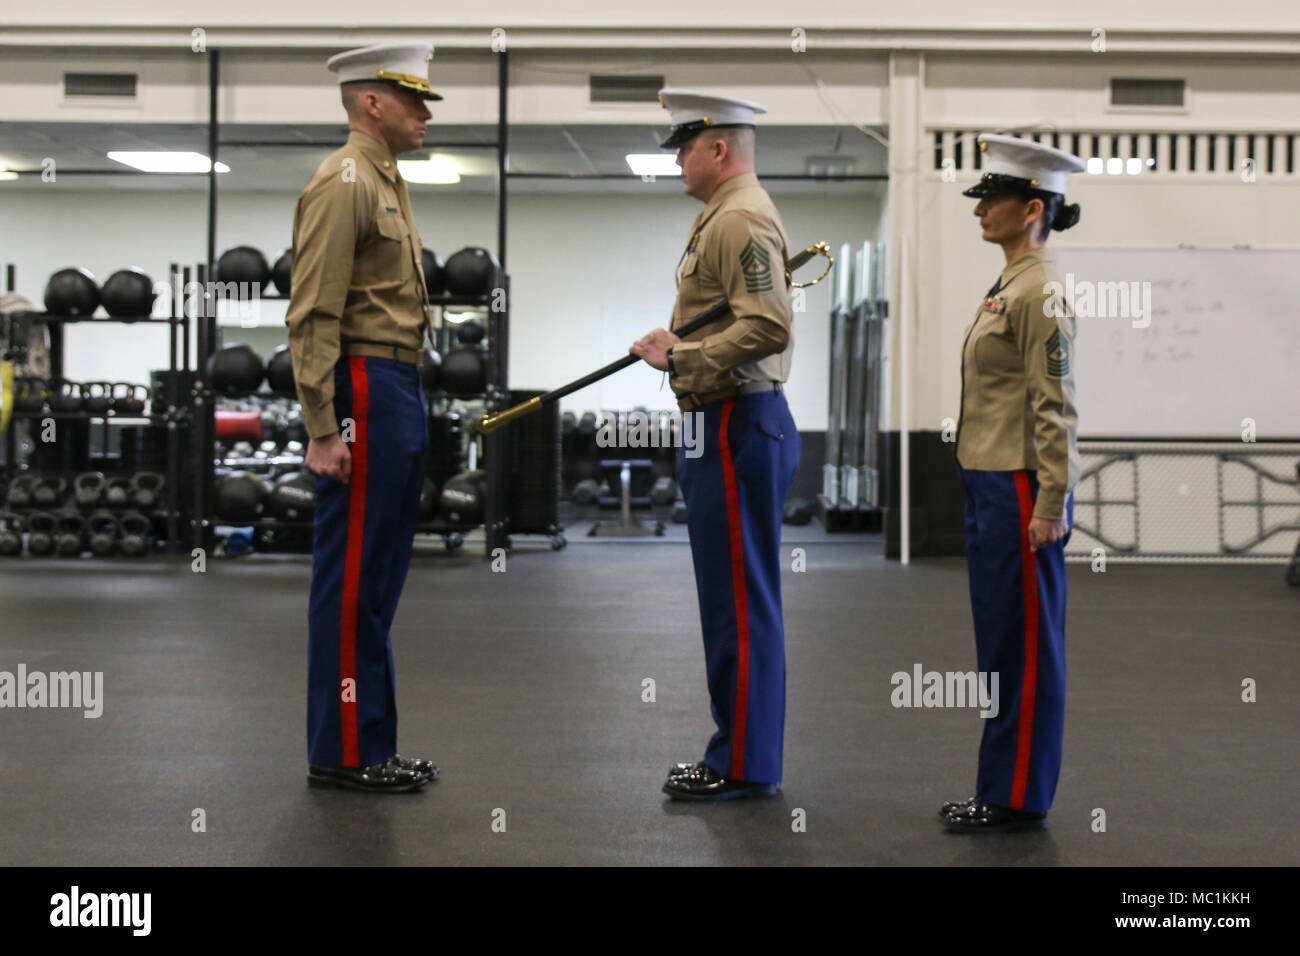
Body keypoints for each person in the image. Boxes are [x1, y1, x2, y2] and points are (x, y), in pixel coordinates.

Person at [630, 90, 800, 801]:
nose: (677, 160)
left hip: (735, 419)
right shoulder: (722, 218)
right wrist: (685, 348)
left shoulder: (739, 218)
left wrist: (682, 359)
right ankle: (740, 752)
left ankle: (742, 761)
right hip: (719, 420)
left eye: (684, 147)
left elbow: (768, 327)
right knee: (730, 597)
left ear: (718, 150)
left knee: (739, 598)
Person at [287, 42, 439, 792]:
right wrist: (322, 426)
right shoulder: (344, 181)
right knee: (350, 579)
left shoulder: (387, 181)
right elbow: (313, 310)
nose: (425, 110)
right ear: (369, 102)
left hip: (398, 384)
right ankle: (343, 749)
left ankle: (370, 742)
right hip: (361, 386)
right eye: (411, 97)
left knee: (377, 579)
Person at [941, 133, 1084, 830]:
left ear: (1033, 208)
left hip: (1022, 488)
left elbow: (1053, 403)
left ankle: (1016, 795)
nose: (979, 211)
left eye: (991, 200)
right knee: (1001, 642)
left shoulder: (1042, 291)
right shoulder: (1010, 284)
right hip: (990, 483)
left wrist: (1052, 500)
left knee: (1025, 646)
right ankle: (1001, 786)